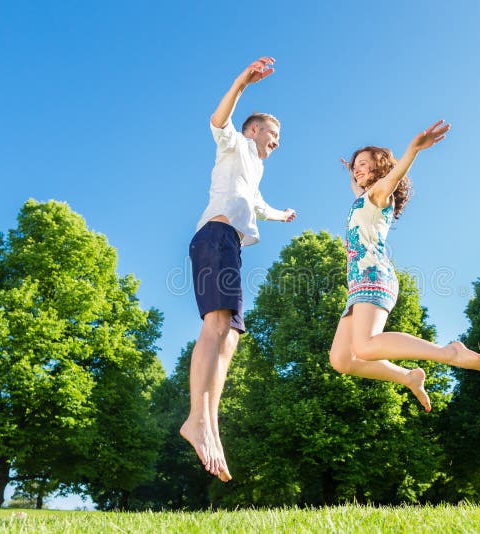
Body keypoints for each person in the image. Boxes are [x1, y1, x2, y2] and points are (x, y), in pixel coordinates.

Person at [180, 56, 296, 482]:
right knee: (215, 325)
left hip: (230, 245)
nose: (277, 142)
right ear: (254, 131)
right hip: (214, 236)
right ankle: (196, 418)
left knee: (230, 334)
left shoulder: (254, 169)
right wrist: (242, 83)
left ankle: (209, 421)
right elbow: (218, 120)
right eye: (273, 134)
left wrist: (281, 214)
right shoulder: (236, 145)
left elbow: (257, 204)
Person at [329, 120, 480, 413]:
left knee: (365, 347)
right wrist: (349, 168)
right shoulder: (362, 198)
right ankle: (408, 377)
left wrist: (413, 150)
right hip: (357, 286)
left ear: (380, 169)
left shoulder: (379, 194)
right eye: (355, 166)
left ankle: (449, 352)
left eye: (364, 164)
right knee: (341, 360)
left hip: (373, 277)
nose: (357, 170)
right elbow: (356, 183)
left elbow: (393, 177)